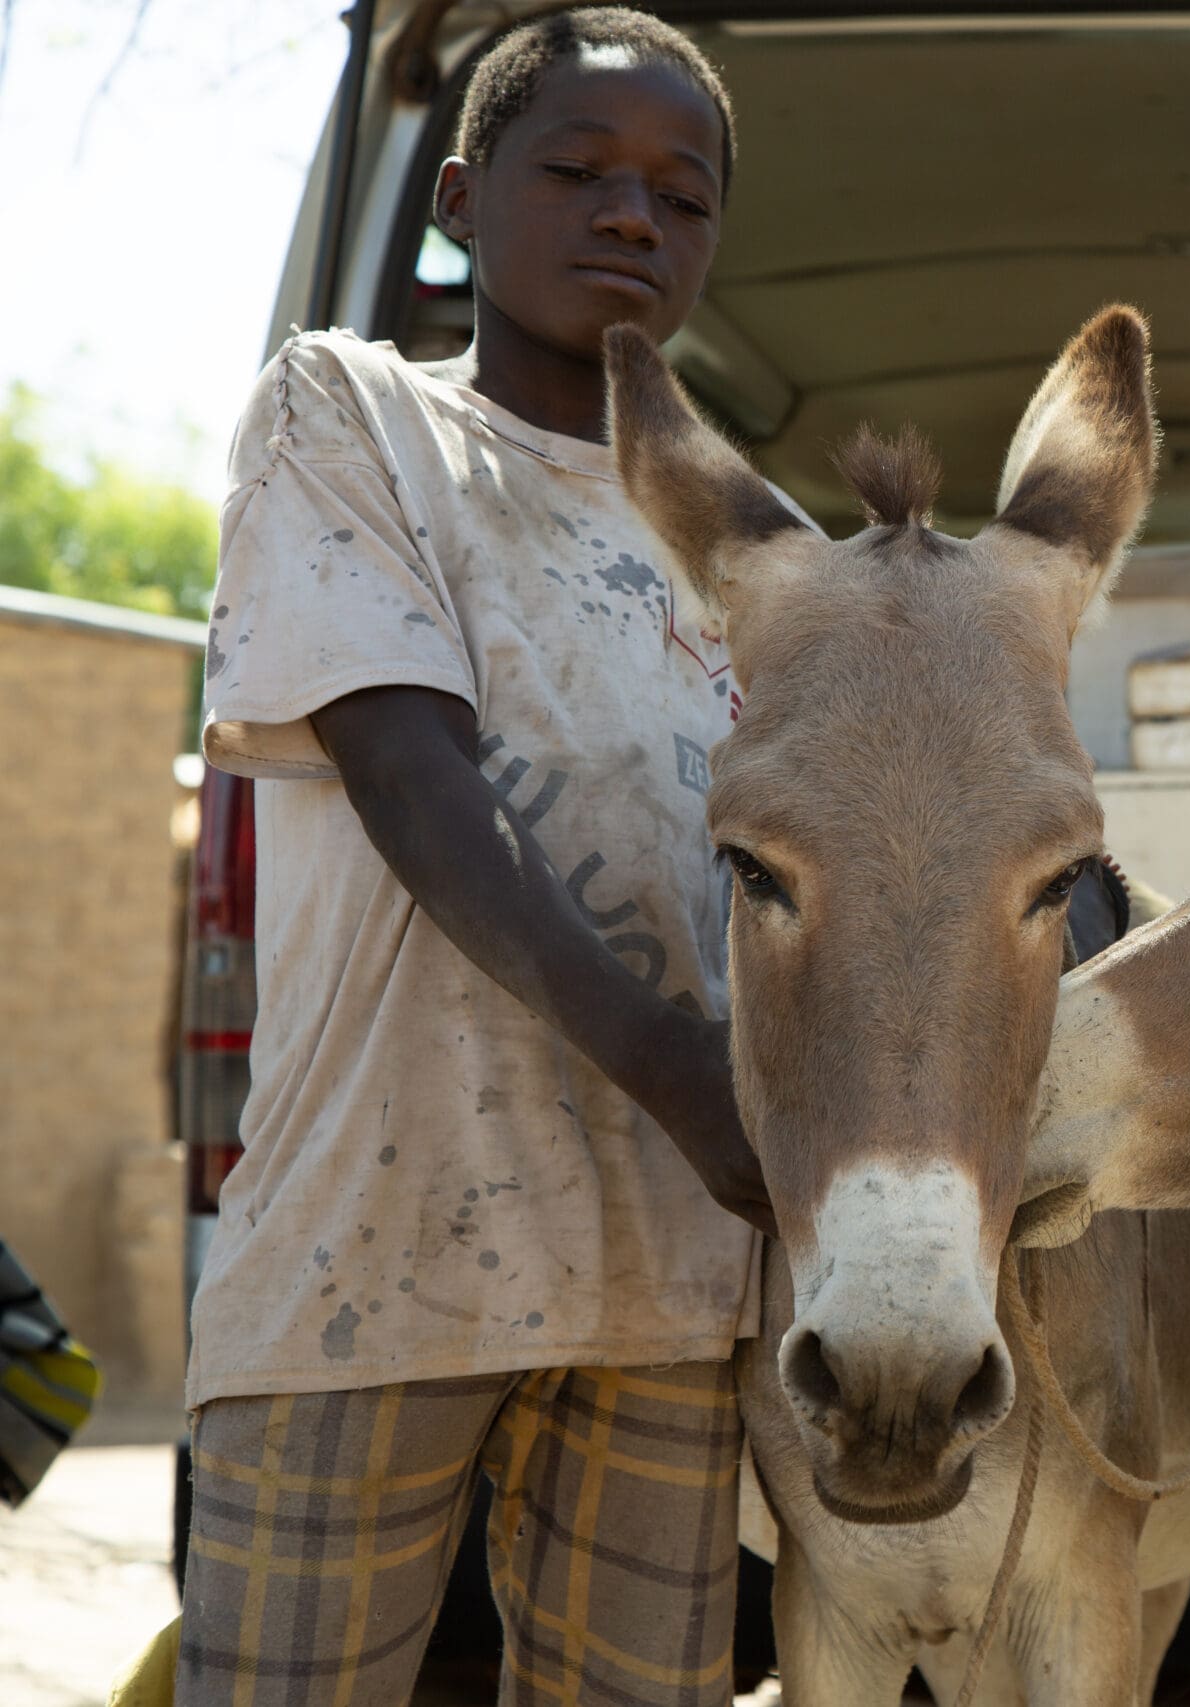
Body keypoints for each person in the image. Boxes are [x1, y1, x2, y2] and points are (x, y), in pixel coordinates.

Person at [178, 11, 787, 1703]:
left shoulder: (756, 541)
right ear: (459, 199)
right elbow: (408, 773)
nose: (632, 216)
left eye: (682, 198)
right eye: (578, 170)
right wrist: (686, 1074)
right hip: (370, 1257)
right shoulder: (350, 417)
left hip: (671, 1283)